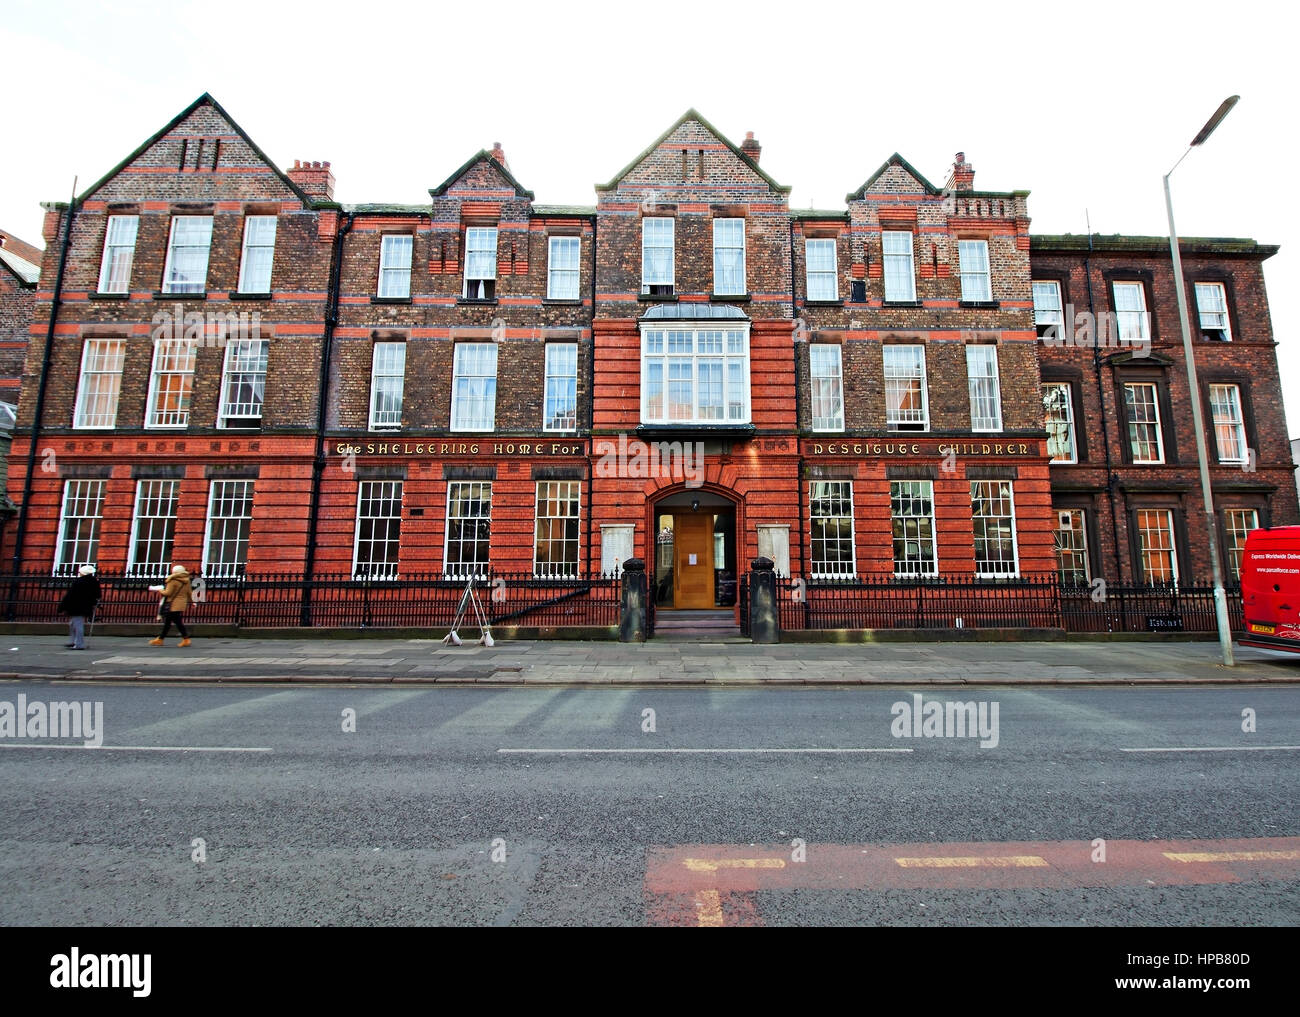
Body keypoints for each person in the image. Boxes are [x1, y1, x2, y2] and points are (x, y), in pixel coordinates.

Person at [148, 564, 193, 647]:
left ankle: (185, 639)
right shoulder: (187, 580)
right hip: (181, 604)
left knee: (176, 622)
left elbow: (168, 593)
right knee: (169, 622)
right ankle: (160, 639)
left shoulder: (172, 580)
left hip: (172, 604)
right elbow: (189, 592)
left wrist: (160, 590)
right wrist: (193, 602)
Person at [58, 564, 101, 650]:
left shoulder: (78, 582)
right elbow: (97, 594)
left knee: (77, 625)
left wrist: (62, 606)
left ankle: (79, 644)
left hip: (76, 606)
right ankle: (73, 641)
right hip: (86, 606)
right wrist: (95, 602)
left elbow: (70, 595)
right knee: (73, 624)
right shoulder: (94, 582)